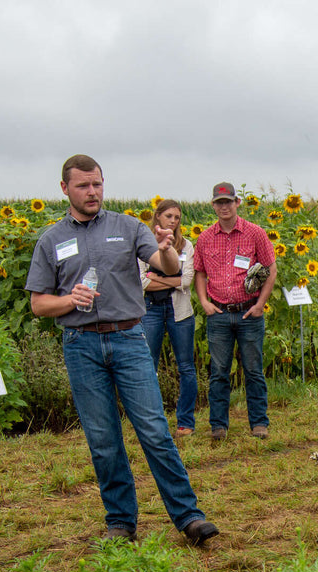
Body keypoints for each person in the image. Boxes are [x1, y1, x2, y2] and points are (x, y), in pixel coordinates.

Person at [25, 155, 219, 547]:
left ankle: (188, 516)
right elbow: (38, 304)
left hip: (130, 339)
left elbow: (162, 264)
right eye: (83, 186)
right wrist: (68, 300)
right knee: (103, 438)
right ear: (65, 189)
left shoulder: (127, 226)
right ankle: (121, 522)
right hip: (82, 346)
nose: (92, 191)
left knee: (154, 430)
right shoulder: (52, 239)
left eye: (97, 183)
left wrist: (166, 249)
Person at [192, 182, 276, 442]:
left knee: (253, 369)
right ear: (213, 205)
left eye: (228, 201)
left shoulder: (255, 233)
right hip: (218, 314)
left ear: (237, 203)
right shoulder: (205, 237)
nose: (224, 206)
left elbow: (271, 271)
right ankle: (218, 426)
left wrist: (260, 305)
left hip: (247, 312)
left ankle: (259, 423)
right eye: (219, 202)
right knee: (218, 371)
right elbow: (200, 272)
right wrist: (204, 302)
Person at [139, 200, 198, 437]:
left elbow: (187, 281)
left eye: (177, 217)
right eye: (168, 216)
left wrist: (157, 278)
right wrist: (172, 279)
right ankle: (153, 423)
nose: (173, 221)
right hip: (151, 309)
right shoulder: (144, 245)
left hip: (179, 311)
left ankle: (185, 421)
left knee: (186, 367)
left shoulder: (186, 246)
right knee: (147, 367)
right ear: (157, 218)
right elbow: (141, 281)